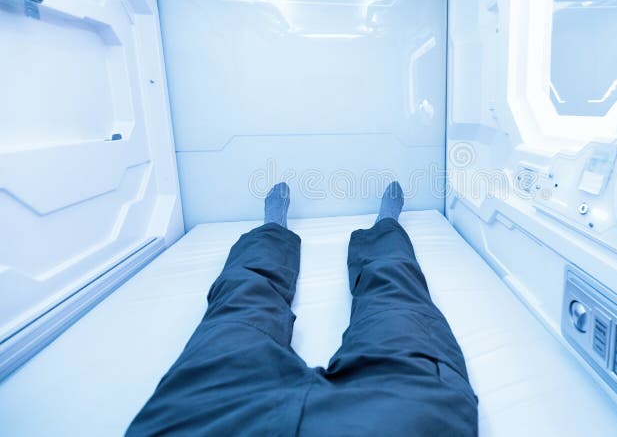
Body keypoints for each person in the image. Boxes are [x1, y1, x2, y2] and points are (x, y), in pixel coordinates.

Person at [127, 182, 478, 436]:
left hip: (212, 416)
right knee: (397, 299)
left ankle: (274, 229)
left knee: (239, 303)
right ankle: (385, 227)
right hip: (400, 413)